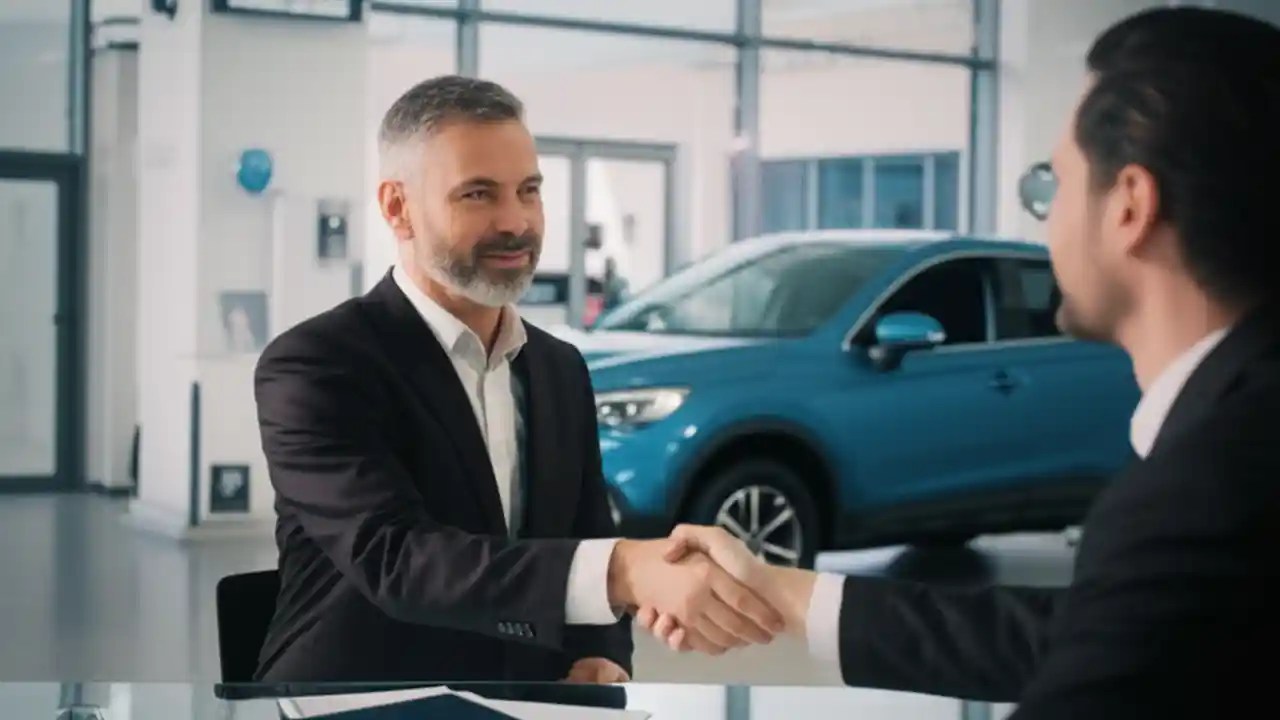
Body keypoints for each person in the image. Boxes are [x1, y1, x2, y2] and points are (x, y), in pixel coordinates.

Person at [638, 7, 1279, 716]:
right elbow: (1079, 640)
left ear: (1129, 204)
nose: (1044, 218)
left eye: (1051, 184)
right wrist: (784, 592)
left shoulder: (1204, 490)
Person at [252, 75, 783, 684]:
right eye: (477, 195)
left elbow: (585, 532)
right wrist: (624, 570)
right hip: (356, 699)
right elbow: (398, 560)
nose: (516, 222)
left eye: (528, 191)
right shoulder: (317, 364)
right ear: (398, 208)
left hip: (531, 697)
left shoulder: (559, 367)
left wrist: (603, 653)